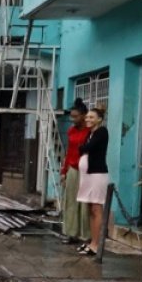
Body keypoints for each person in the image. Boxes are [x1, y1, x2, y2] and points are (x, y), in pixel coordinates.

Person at [77, 106, 110, 256]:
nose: (87, 120)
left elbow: (87, 147)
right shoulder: (89, 133)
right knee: (91, 209)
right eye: (87, 117)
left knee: (97, 209)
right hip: (88, 176)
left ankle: (97, 244)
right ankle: (92, 241)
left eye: (91, 117)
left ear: (99, 119)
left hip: (97, 175)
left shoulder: (101, 132)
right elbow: (82, 147)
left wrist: (83, 148)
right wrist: (83, 147)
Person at [59, 99, 90, 244]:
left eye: (75, 116)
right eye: (71, 116)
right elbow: (69, 151)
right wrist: (64, 172)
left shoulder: (90, 131)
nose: (73, 119)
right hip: (72, 168)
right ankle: (71, 233)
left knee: (84, 204)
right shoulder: (71, 130)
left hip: (86, 169)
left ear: (84, 115)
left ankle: (86, 235)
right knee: (70, 201)